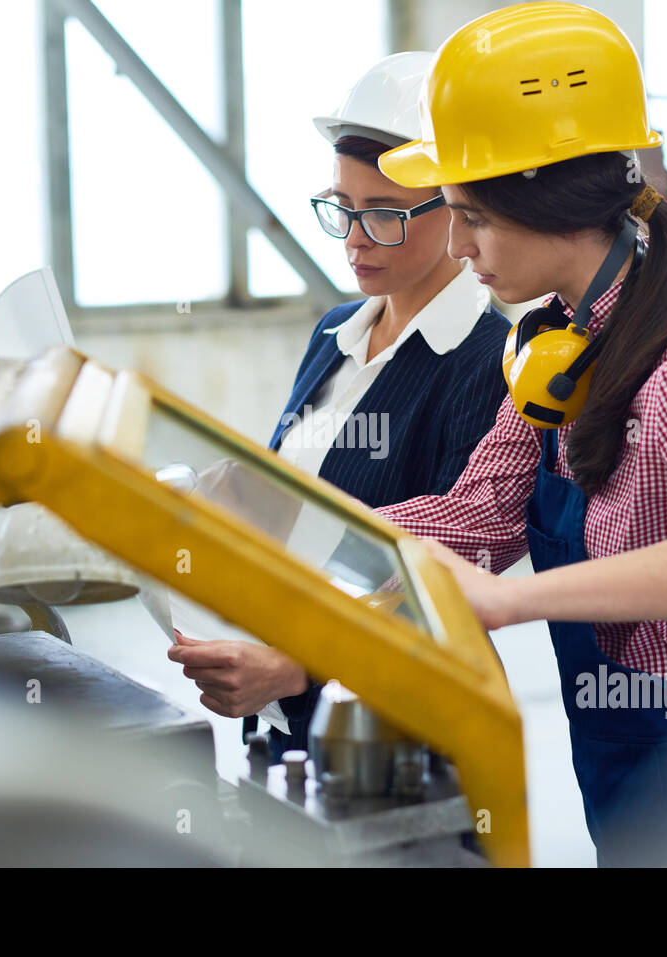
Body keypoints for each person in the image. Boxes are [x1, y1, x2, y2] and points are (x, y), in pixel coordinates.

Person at [361, 1, 667, 866]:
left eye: (472, 214)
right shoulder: (558, 343)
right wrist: (287, 538)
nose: (460, 245)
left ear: (546, 198)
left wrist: (515, 600)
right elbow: (475, 516)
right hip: (623, 770)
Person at [167, 52, 512, 764]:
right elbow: (293, 513)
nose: (354, 238)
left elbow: (448, 581)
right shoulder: (335, 331)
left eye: (384, 214)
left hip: (399, 731)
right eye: (342, 208)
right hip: (283, 708)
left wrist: (300, 662)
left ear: (456, 203)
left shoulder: (489, 363)